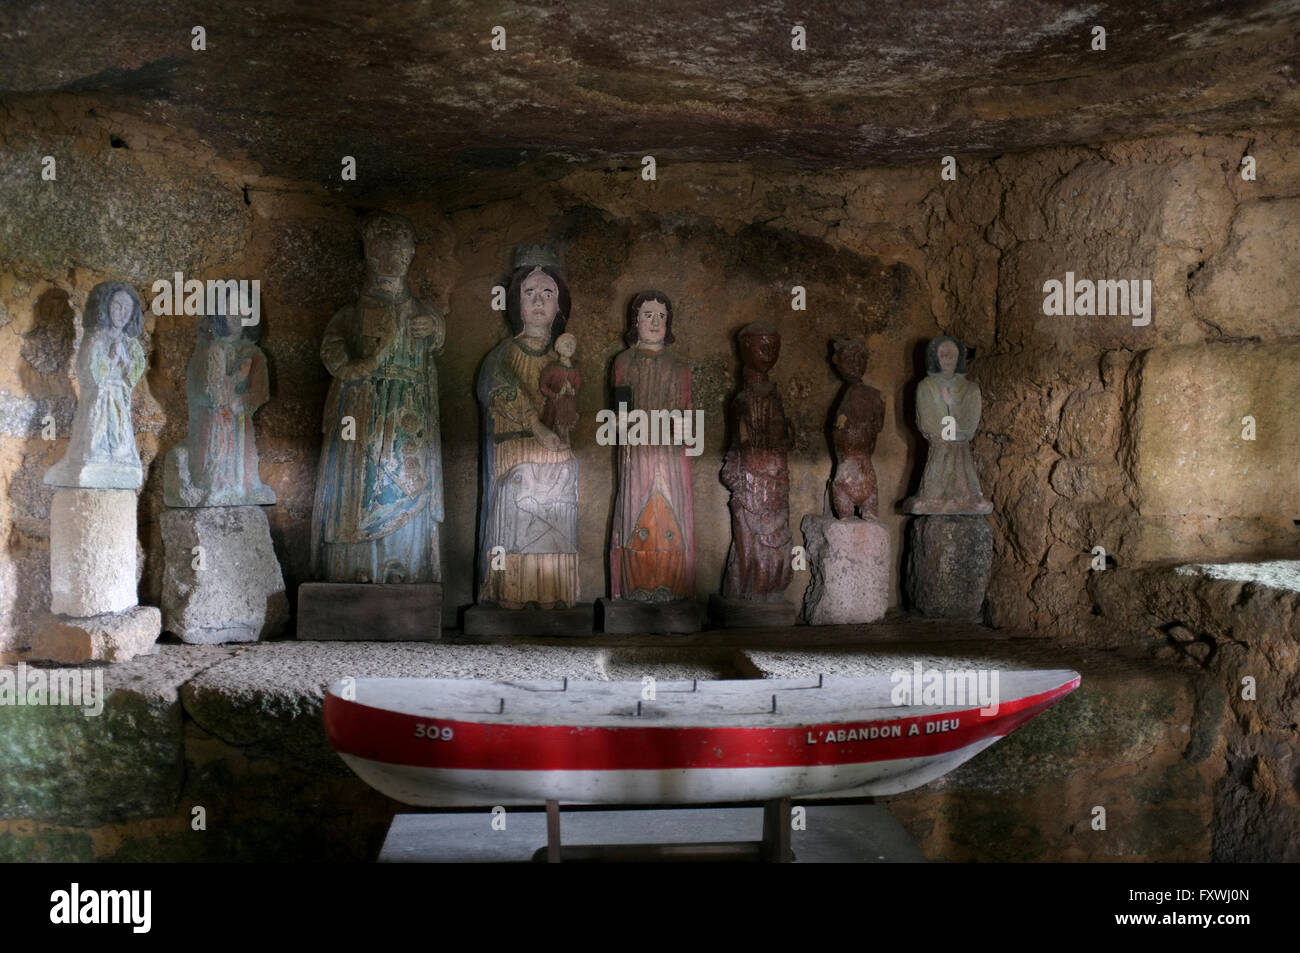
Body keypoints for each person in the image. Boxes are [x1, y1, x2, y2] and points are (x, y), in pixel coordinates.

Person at [310, 211, 445, 583]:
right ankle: (355, 568)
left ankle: (402, 566)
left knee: (407, 481)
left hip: (409, 411)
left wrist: (434, 328)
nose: (391, 260)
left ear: (410, 255)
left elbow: (436, 341)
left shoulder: (423, 313)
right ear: (369, 254)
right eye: (382, 251)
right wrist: (356, 368)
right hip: (363, 408)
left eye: (399, 252)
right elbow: (333, 349)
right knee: (360, 487)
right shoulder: (351, 314)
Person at [476, 256, 579, 609]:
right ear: (515, 303)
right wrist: (535, 426)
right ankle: (511, 588)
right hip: (513, 450)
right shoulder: (502, 355)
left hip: (554, 450)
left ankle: (550, 589)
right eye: (529, 292)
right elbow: (497, 389)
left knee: (564, 479)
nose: (538, 301)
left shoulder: (562, 360)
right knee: (519, 490)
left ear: (559, 305)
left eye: (547, 293)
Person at [609, 290, 695, 603]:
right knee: (636, 516)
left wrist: (686, 429)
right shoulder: (624, 362)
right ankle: (635, 587)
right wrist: (631, 428)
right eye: (648, 315)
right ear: (636, 321)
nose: (655, 322)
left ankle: (672, 586)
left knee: (671, 517)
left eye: (661, 316)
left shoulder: (680, 367)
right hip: (638, 453)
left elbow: (688, 413)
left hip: (670, 456)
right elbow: (620, 417)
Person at [164, 286, 275, 506]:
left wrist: (241, 402)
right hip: (211, 421)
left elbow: (260, 392)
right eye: (231, 309)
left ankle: (242, 488)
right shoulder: (210, 351)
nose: (237, 316)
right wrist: (221, 393)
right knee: (213, 459)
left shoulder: (254, 354)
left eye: (243, 310)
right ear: (219, 312)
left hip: (240, 421)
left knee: (241, 465)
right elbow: (202, 389)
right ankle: (213, 486)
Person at [45, 282, 146, 489]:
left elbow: (135, 371)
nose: (122, 313)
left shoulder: (131, 344)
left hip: (119, 397)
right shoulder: (96, 339)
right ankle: (94, 459)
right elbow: (90, 374)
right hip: (98, 398)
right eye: (117, 305)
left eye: (127, 308)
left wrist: (126, 362)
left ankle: (121, 460)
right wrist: (112, 358)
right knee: (95, 431)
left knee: (120, 433)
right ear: (106, 306)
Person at [720, 322, 792, 601]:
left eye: (773, 346)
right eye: (762, 345)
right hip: (752, 481)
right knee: (749, 544)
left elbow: (781, 439)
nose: (768, 352)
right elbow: (740, 444)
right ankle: (747, 589)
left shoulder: (775, 396)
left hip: (776, 480)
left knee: (777, 543)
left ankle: (771, 589)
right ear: (745, 348)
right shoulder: (742, 399)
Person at [903, 335, 992, 515]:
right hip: (939, 447)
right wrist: (949, 428)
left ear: (959, 358)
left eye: (953, 355)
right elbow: (927, 421)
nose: (948, 359)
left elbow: (970, 423)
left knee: (965, 482)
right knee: (933, 486)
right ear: (934, 358)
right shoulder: (926, 386)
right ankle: (931, 496)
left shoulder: (970, 389)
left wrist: (952, 410)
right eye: (943, 355)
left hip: (961, 449)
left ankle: (967, 497)